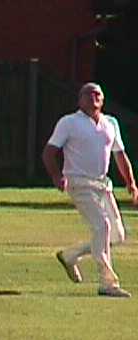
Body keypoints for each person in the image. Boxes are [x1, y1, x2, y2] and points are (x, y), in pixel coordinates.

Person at [42, 82, 138, 298]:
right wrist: (57, 176)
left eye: (98, 93)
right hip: (78, 182)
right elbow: (49, 152)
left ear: (103, 100)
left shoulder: (110, 123)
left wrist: (131, 183)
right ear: (80, 99)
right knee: (102, 226)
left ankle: (70, 255)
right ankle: (108, 283)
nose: (93, 96)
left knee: (117, 236)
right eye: (88, 93)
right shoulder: (69, 123)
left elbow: (120, 155)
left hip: (103, 185)